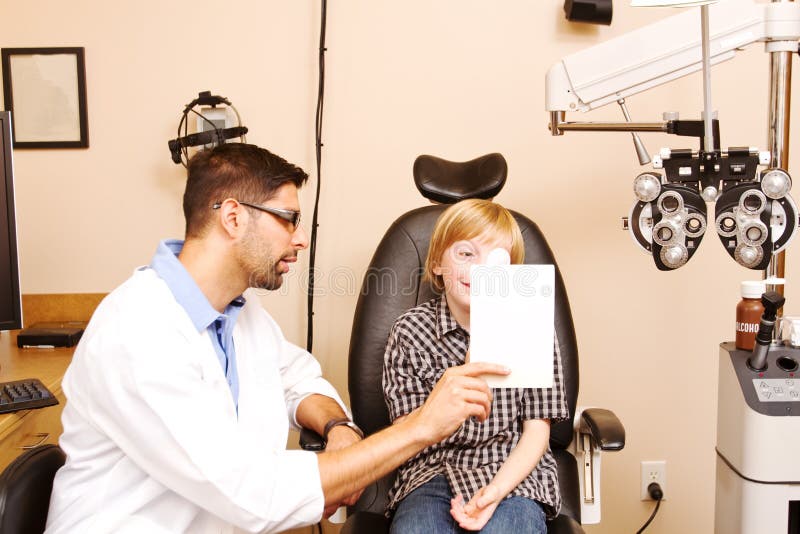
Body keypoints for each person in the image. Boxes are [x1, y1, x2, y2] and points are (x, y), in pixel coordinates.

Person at [45, 143, 509, 534]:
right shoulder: (139, 331)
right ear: (233, 217)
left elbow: (296, 379)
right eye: (289, 219)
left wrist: (339, 430)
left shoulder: (238, 312)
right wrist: (423, 425)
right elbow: (253, 493)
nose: (301, 239)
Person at [382, 199, 569, 534]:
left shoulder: (531, 325)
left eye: (496, 260)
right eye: (466, 254)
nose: (481, 270)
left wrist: (496, 492)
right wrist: (463, 376)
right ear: (438, 262)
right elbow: (408, 433)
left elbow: (537, 430)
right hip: (431, 472)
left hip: (511, 473)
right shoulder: (409, 331)